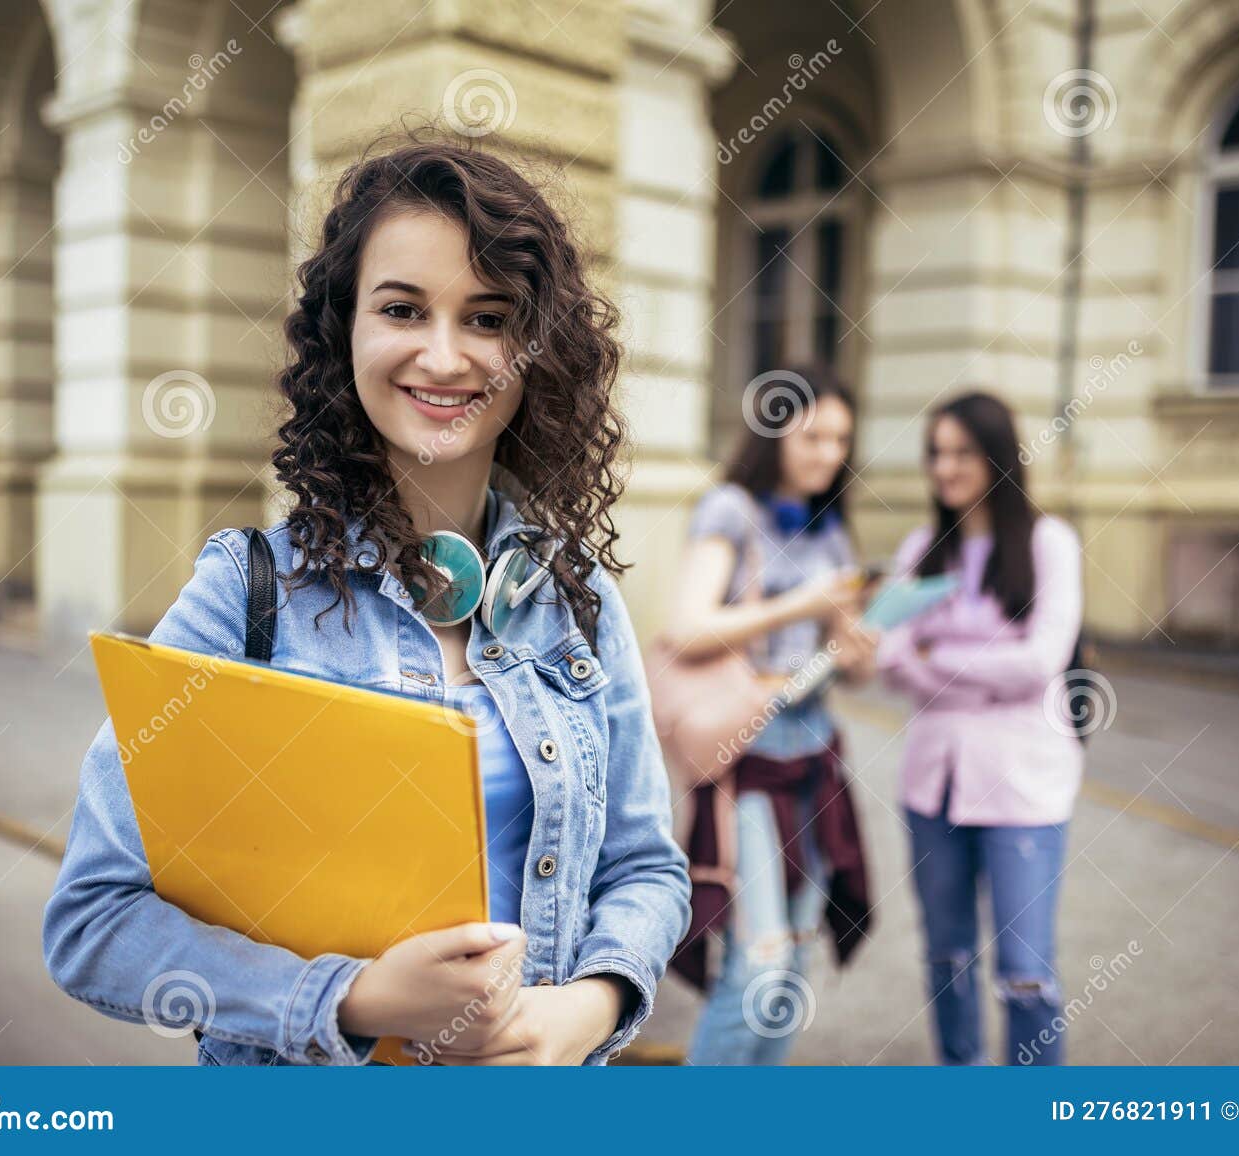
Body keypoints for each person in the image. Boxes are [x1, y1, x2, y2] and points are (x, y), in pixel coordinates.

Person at [43, 136, 691, 1067]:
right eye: (402, 308)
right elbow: (95, 921)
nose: (444, 354)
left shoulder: (576, 600)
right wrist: (350, 997)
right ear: (344, 328)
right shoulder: (245, 594)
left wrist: (585, 1011)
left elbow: (645, 869)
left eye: (488, 317)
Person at [665, 365, 878, 1065]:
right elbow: (687, 626)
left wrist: (859, 647)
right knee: (756, 965)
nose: (827, 453)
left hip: (815, 751)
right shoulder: (732, 508)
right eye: (813, 435)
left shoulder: (830, 527)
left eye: (841, 439)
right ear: (774, 429)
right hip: (748, 760)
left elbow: (850, 662)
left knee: (793, 967)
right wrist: (804, 604)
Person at [876, 390, 1083, 1065]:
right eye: (936, 452)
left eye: (962, 452)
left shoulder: (1049, 544)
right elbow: (886, 656)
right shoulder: (920, 550)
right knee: (947, 956)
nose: (945, 467)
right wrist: (965, 666)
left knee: (1025, 972)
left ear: (998, 457)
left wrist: (935, 658)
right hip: (934, 786)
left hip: (1024, 788)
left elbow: (1039, 664)